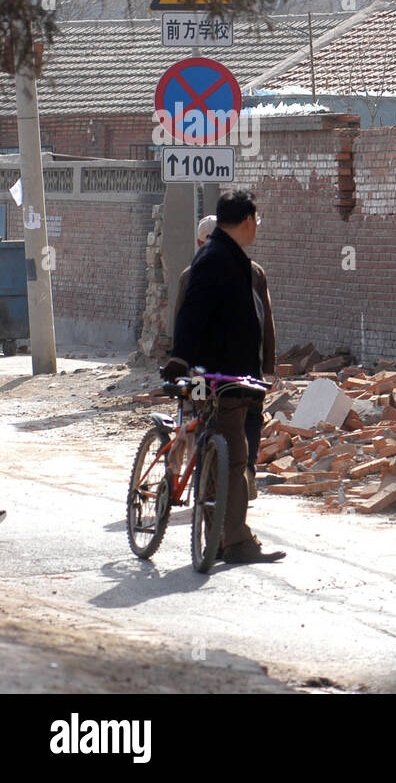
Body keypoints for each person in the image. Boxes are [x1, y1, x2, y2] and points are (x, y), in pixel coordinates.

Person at [163, 190, 284, 564]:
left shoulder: (237, 263)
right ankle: (235, 541)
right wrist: (181, 357)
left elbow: (262, 321)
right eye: (257, 222)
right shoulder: (216, 261)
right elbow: (190, 313)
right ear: (248, 221)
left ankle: (217, 535)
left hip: (229, 375)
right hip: (219, 376)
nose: (257, 228)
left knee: (219, 448)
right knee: (233, 455)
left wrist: (266, 367)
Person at [174, 214, 277, 501]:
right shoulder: (253, 272)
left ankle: (207, 481)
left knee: (201, 413)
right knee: (251, 415)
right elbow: (266, 322)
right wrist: (268, 365)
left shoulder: (191, 275)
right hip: (245, 369)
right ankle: (245, 473)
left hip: (202, 371)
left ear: (198, 243)